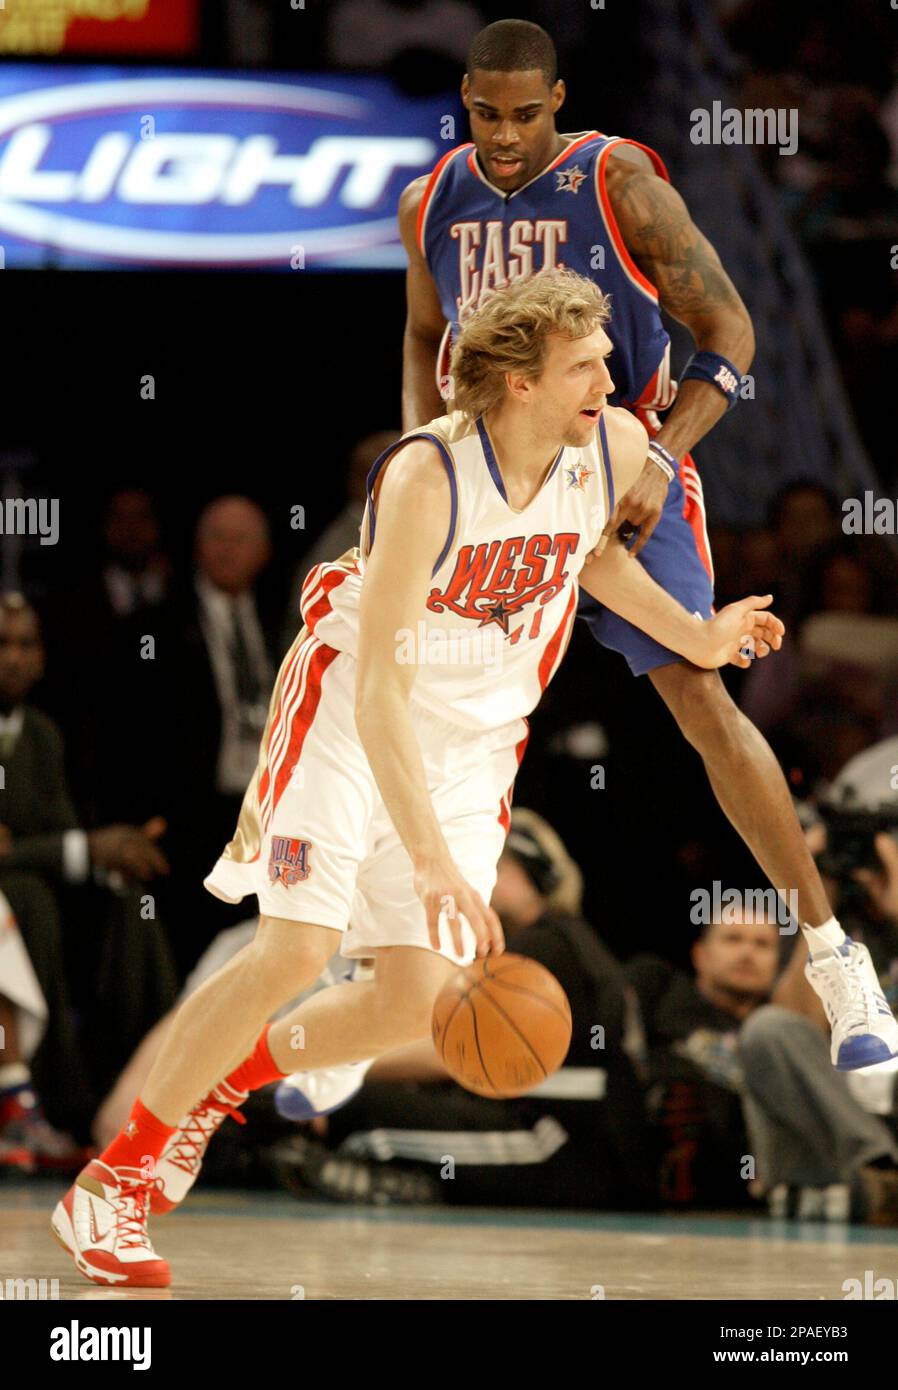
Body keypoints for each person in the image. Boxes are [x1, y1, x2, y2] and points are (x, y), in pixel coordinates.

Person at [50, 268, 784, 1287]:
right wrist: (434, 863)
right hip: (352, 709)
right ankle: (112, 1186)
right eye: (586, 364)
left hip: (475, 738)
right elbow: (383, 688)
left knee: (410, 1002)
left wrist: (701, 631)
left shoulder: (610, 443)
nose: (611, 380)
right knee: (292, 946)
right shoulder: (426, 476)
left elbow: (595, 561)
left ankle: (224, 1088)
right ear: (519, 382)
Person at [397, 20, 889, 1071]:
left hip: (618, 460)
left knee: (701, 695)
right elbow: (420, 330)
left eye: (528, 113)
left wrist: (661, 457)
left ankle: (832, 951)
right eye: (487, 113)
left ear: (558, 99)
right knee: (413, 707)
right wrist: (419, 451)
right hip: (489, 481)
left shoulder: (616, 181)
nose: (507, 135)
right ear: (467, 102)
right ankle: (375, 957)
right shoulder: (431, 200)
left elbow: (732, 333)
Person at [279, 807, 655, 1212]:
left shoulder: (546, 945)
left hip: (569, 1148)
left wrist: (337, 1068)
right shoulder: (566, 939)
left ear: (530, 873)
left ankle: (393, 1173)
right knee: (347, 1097)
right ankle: (402, 1177)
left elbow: (450, 1055)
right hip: (588, 1143)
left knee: (348, 1107)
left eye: (489, 865)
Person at [0, 594, 176, 1163]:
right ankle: (35, 1099)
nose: (14, 659)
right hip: (19, 900)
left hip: (36, 892)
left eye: (26, 645)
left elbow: (54, 838)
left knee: (126, 898)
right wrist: (79, 848)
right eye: (2, 645)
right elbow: (55, 847)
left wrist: (105, 852)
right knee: (27, 897)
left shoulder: (43, 734)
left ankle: (149, 1090)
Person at [627, 910, 779, 1213]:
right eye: (733, 939)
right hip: (654, 1182)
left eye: (762, 945)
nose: (748, 953)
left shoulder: (780, 1033)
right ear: (700, 954)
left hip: (747, 1190)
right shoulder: (662, 992)